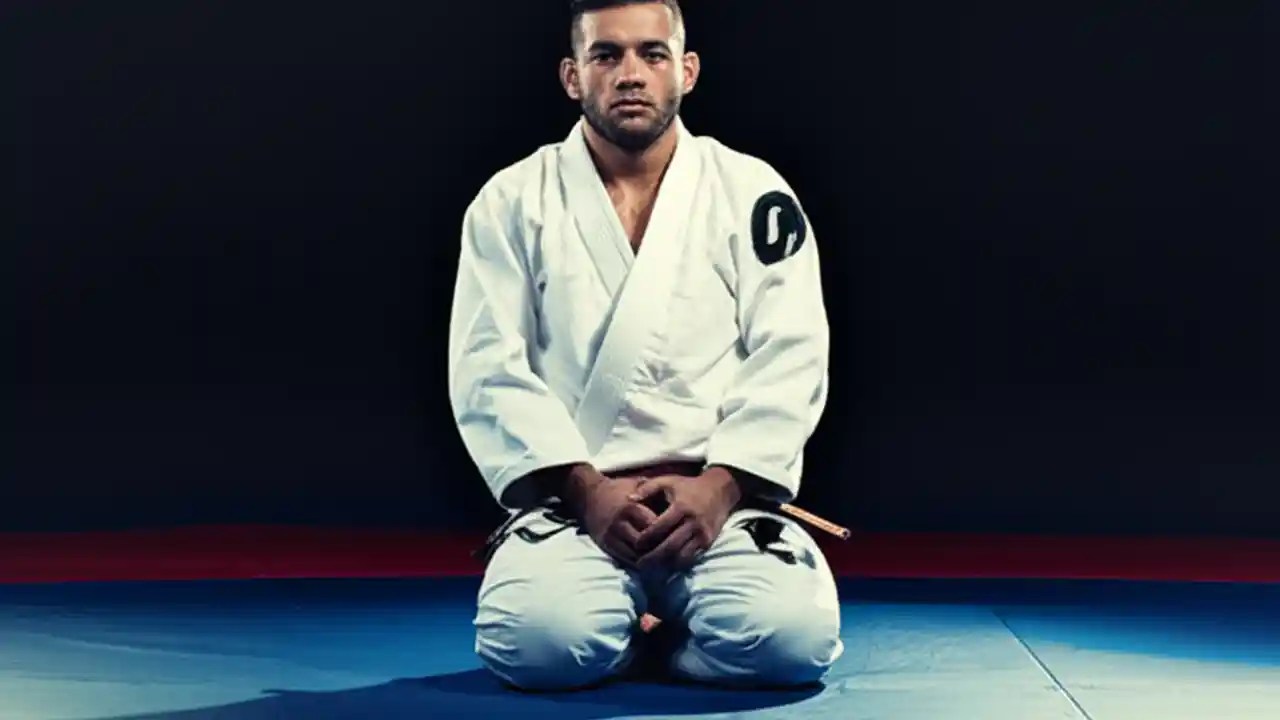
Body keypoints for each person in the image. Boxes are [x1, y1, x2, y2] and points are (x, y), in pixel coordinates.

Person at [447, 0, 842, 691]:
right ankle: (628, 639)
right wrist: (586, 490)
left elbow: (793, 352)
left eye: (652, 54)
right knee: (536, 645)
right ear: (573, 76)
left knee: (792, 641)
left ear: (686, 71)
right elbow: (487, 368)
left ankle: (658, 648)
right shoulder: (511, 200)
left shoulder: (752, 192)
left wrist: (720, 487)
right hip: (577, 507)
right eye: (607, 55)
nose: (631, 73)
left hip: (720, 505)